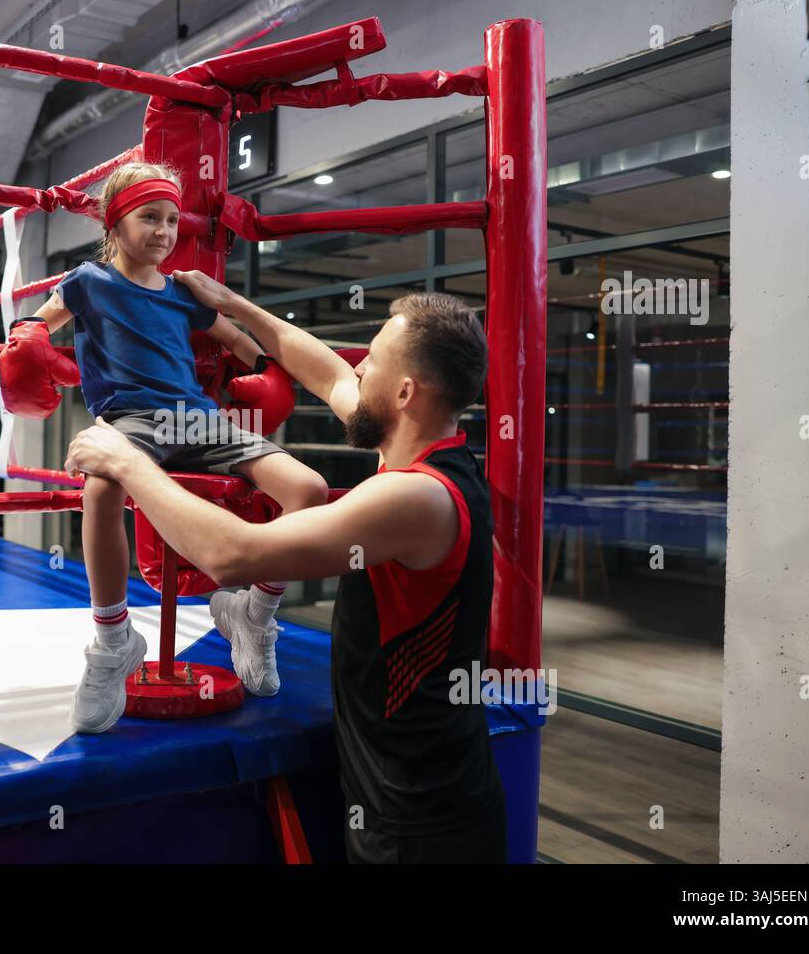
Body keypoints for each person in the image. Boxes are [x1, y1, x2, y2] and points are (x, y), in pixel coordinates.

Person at [65, 271, 506, 863]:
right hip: (408, 795)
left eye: (371, 362)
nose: (358, 371)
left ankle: (246, 618)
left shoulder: (416, 497)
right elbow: (325, 372)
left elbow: (234, 555)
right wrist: (232, 305)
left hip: (423, 823)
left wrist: (128, 464)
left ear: (405, 394)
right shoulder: (428, 446)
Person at [0, 162, 329, 733]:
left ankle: (255, 614)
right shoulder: (89, 281)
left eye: (173, 220)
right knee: (100, 489)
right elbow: (36, 323)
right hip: (128, 421)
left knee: (309, 488)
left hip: (197, 420)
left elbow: (236, 340)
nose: (164, 231)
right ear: (116, 221)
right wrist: (27, 340)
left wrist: (267, 372)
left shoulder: (182, 293)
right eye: (149, 217)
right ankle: (112, 640)